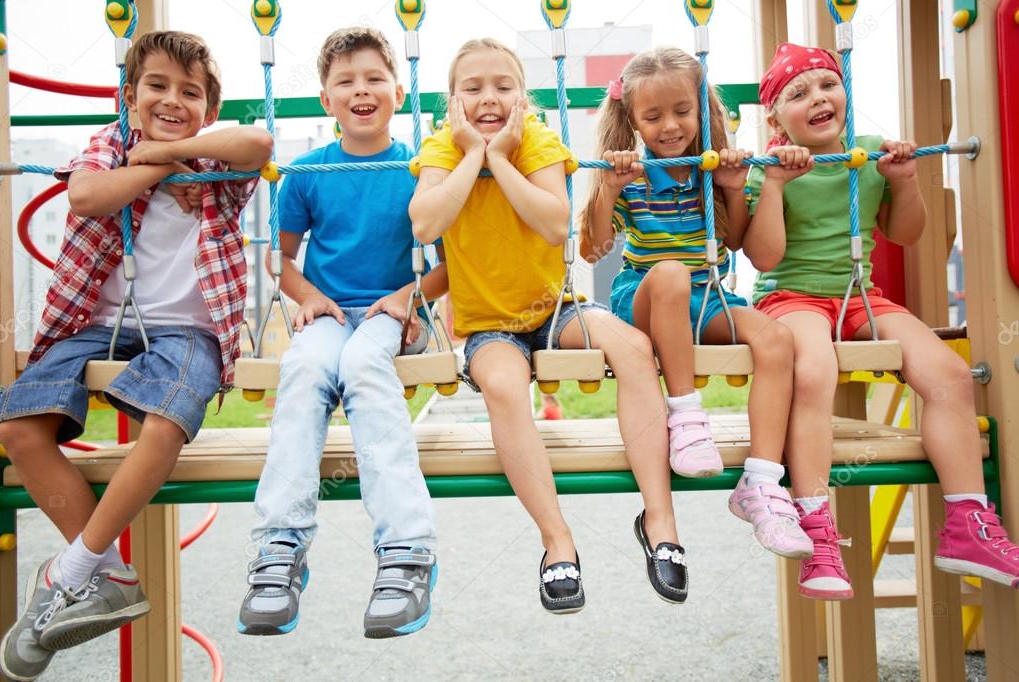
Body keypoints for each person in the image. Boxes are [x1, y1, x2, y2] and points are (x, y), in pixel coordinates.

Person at [0, 31, 271, 679]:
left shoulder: (214, 161)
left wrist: (175, 152)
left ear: (208, 110)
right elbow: (87, 196)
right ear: (129, 96)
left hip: (187, 329)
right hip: (98, 321)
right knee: (16, 428)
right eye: (157, 86)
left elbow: (257, 145)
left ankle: (72, 571)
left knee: (166, 420)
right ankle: (110, 570)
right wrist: (154, 166)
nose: (171, 99)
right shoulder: (109, 144)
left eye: (189, 92)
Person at [410, 37, 687, 613]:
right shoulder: (440, 149)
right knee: (505, 387)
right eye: (473, 88)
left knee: (634, 348)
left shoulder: (537, 140)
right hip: (489, 326)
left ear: (524, 100)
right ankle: (557, 540)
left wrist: (501, 157)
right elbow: (426, 223)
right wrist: (472, 157)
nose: (489, 98)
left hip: (555, 309)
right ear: (453, 105)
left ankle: (659, 518)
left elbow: (555, 224)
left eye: (503, 87)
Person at [746, 42, 1019, 599]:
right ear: (776, 118)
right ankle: (816, 528)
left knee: (949, 375)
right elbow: (765, 258)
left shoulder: (868, 154)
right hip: (790, 297)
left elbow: (907, 233)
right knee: (814, 371)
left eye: (828, 85)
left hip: (859, 298)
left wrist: (902, 180)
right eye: (798, 94)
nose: (819, 98)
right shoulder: (770, 166)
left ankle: (966, 521)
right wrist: (773, 186)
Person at [239, 27, 445, 640]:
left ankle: (406, 551)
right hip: (330, 315)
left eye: (375, 78)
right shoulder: (305, 174)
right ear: (326, 100)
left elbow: (451, 264)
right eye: (345, 82)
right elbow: (281, 261)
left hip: (392, 315)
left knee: (362, 366)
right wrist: (309, 299)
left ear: (399, 91)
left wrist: (408, 299)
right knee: (304, 369)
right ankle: (279, 548)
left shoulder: (420, 168)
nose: (362, 90)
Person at [579, 46, 810, 560]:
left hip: (710, 298)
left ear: (702, 109)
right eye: (653, 116)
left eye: (681, 111)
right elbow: (591, 247)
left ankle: (763, 481)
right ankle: (684, 416)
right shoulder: (632, 174)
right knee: (669, 274)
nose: (669, 126)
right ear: (633, 120)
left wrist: (730, 189)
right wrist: (609, 192)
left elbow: (735, 244)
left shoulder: (714, 168)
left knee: (776, 339)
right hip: (646, 297)